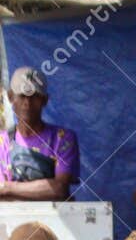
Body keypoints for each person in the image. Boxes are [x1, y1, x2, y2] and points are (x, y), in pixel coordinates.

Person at [0, 67, 79, 203]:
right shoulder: (3, 141)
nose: (27, 103)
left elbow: (59, 189)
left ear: (45, 100)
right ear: (10, 97)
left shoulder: (63, 138)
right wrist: (42, 190)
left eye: (34, 96)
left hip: (52, 217)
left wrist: (8, 188)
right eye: (22, 95)